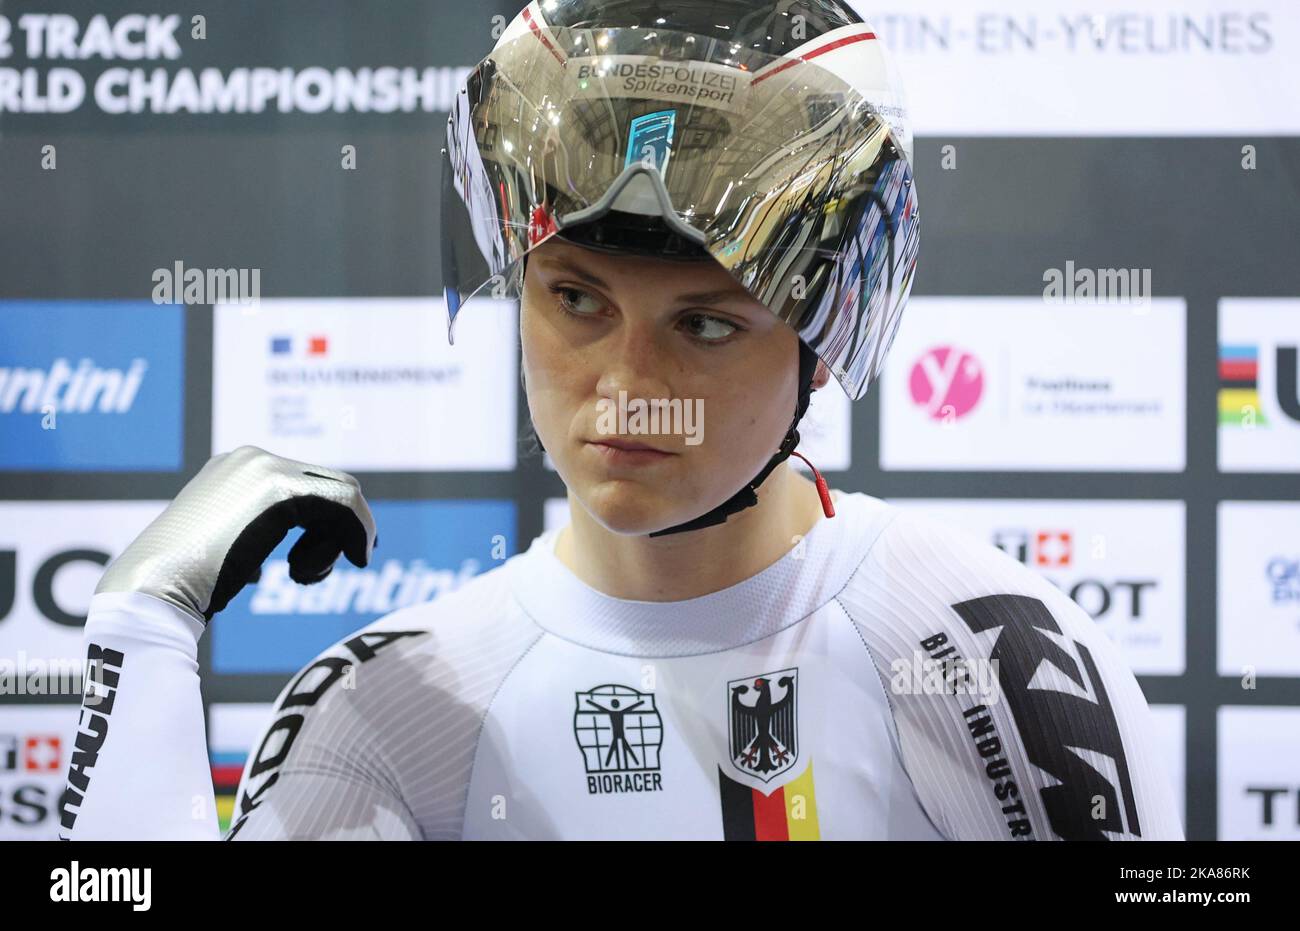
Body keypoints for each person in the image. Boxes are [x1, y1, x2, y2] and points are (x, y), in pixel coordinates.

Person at [58, 0, 1183, 840]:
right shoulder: (388, 706)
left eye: (704, 325)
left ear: (821, 342)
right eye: (576, 300)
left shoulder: (997, 657)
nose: (624, 380)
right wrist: (141, 647)